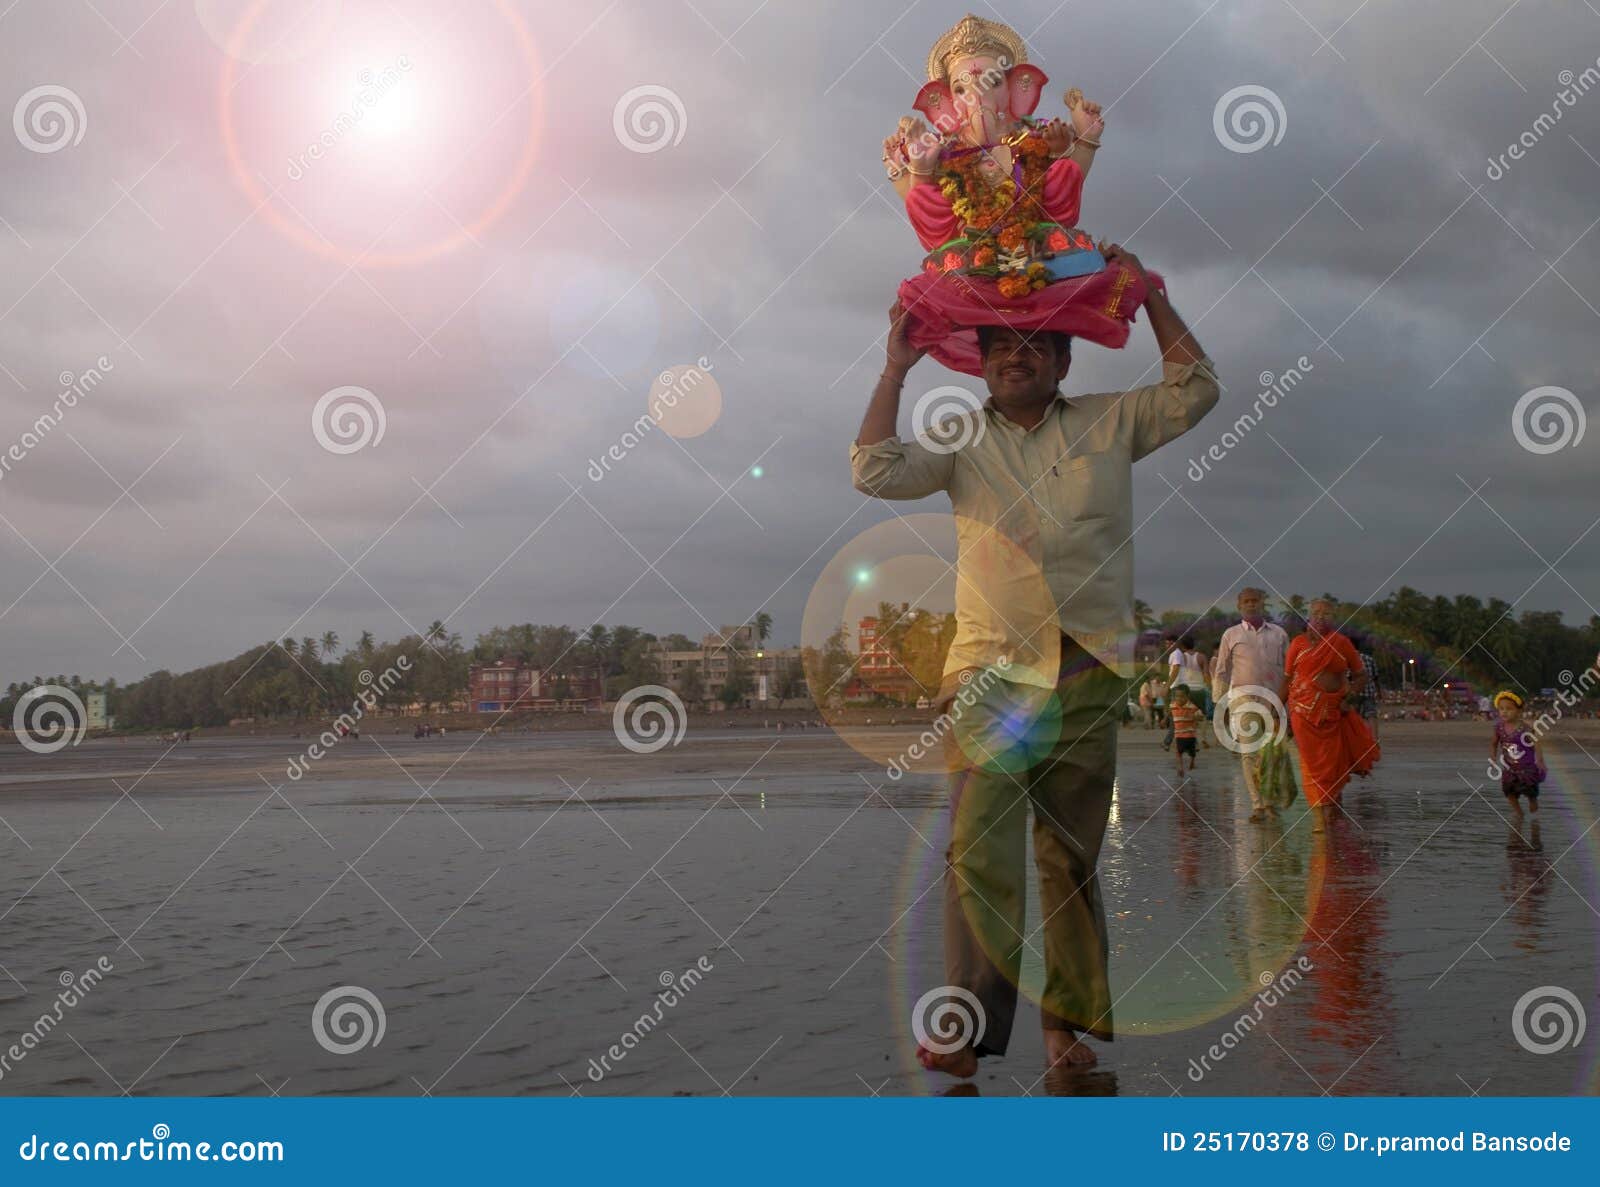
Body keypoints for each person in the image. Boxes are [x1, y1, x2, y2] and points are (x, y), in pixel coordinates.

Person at [852, 245, 1218, 1076]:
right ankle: (965, 1028)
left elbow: (1197, 390)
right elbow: (872, 470)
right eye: (1001, 345)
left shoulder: (1110, 422)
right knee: (979, 848)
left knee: (1069, 855)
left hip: (1089, 666)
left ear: (1063, 360)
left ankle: (1066, 1027)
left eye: (1034, 345)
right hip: (987, 671)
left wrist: (1152, 293)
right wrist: (895, 369)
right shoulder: (960, 440)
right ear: (979, 362)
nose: (1016, 356)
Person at [1281, 599, 1379, 833]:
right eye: (1316, 612)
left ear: (1334, 618)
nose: (1320, 617)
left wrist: (1348, 699)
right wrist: (1275, 709)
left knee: (1332, 764)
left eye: (1326, 613)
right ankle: (1319, 815)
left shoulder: (1341, 643)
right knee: (1310, 764)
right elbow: (1287, 679)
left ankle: (1330, 804)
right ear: (1308, 616)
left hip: (1333, 711)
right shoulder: (1298, 644)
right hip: (1301, 712)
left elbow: (1361, 676)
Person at [1211, 587, 1289, 823]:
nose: (1251, 604)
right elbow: (1222, 671)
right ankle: (1258, 805)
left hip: (1275, 702)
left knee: (1272, 754)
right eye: (1246, 601)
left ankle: (1270, 802)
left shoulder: (1279, 634)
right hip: (1244, 701)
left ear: (1263, 603)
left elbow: (1290, 671)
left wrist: (1289, 701)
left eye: (1255, 600)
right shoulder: (1231, 635)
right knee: (1249, 753)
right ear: (1239, 606)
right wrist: (1220, 706)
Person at [1490, 691, 1545, 821]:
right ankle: (1519, 812)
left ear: (1519, 711)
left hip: (1526, 767)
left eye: (1509, 709)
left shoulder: (1525, 728)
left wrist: (1539, 759)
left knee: (1530, 789)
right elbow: (1493, 743)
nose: (1504, 712)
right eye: (1501, 709)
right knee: (1508, 791)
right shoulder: (1498, 728)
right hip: (1509, 767)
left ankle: (1532, 800)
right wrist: (1492, 757)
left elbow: (1536, 743)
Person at [1168, 685, 1200, 778]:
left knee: (1192, 753)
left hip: (1190, 735)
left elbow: (1199, 715)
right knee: (1178, 753)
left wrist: (1197, 717)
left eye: (1182, 696)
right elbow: (1169, 712)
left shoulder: (1191, 706)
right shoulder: (1173, 705)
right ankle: (1180, 767)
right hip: (1179, 735)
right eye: (1177, 696)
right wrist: (1164, 720)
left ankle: (1192, 762)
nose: (1179, 698)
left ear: (1187, 696)